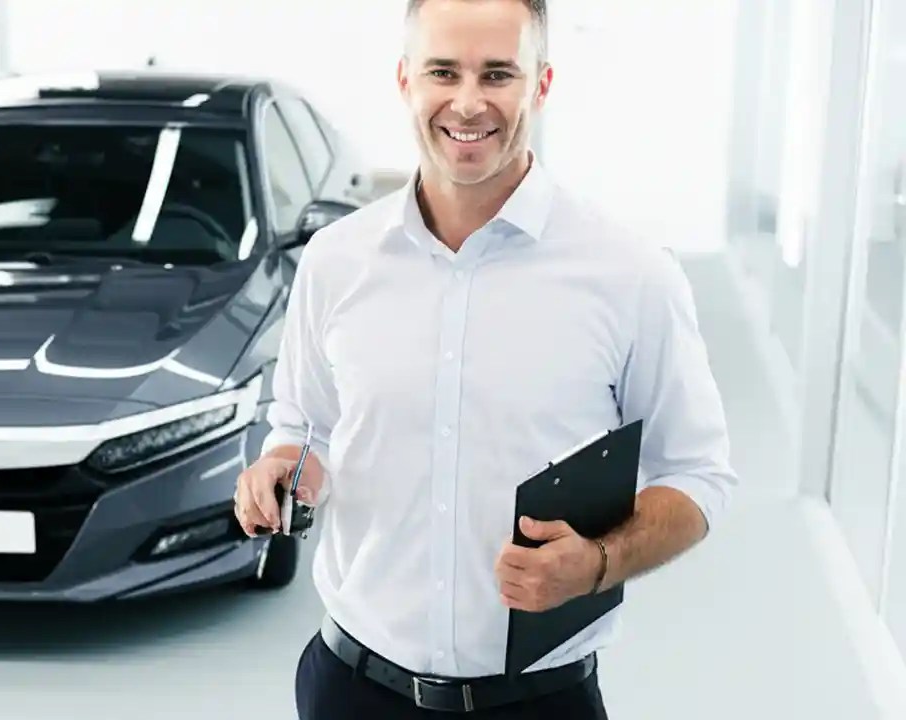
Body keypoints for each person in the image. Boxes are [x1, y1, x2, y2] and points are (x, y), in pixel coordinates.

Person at [232, 0, 737, 717]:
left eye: (498, 73)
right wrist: (283, 468)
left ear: (542, 84)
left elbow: (699, 474)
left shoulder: (630, 273)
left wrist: (599, 564)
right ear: (406, 79)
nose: (468, 102)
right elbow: (303, 423)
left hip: (541, 700)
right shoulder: (336, 262)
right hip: (349, 689)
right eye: (444, 71)